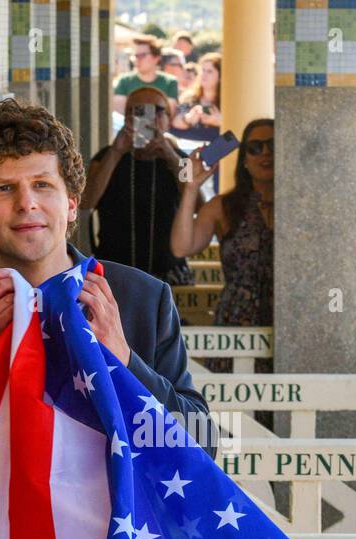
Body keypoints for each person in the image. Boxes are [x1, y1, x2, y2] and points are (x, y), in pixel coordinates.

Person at [0, 97, 211, 495]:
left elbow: (202, 446)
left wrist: (123, 357)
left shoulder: (142, 298)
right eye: (4, 188)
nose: (26, 203)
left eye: (42, 185)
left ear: (71, 204)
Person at [170, 120, 275, 373]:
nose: (265, 153)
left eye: (272, 145)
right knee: (238, 407)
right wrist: (191, 187)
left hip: (288, 316)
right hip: (238, 320)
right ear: (244, 160)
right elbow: (181, 247)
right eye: (255, 147)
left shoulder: (301, 204)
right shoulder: (225, 207)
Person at [82, 87, 195, 286]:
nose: (148, 118)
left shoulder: (182, 161)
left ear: (168, 120)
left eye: (157, 111)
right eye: (138, 111)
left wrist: (170, 155)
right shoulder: (106, 157)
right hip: (114, 272)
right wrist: (116, 152)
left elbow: (196, 201)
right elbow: (86, 202)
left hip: (169, 272)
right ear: (126, 118)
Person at [112, 34, 179, 116]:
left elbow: (167, 114)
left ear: (156, 58)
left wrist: (133, 109)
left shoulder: (170, 82)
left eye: (142, 55)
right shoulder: (124, 81)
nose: (137, 60)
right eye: (136, 56)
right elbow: (119, 113)